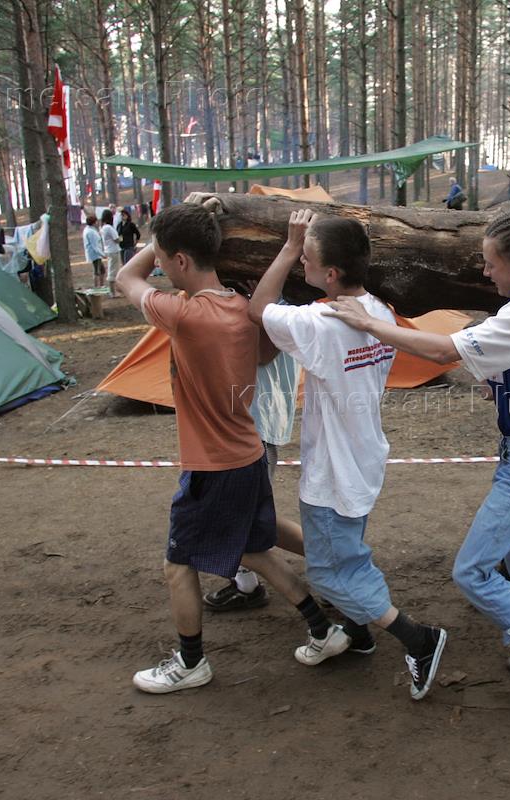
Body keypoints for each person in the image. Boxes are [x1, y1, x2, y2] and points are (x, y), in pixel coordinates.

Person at [325, 206, 510, 714]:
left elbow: (443, 352)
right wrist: (505, 388)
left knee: (473, 572)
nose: (485, 272)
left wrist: (369, 324)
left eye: (491, 263)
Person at [115, 202, 346, 694]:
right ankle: (324, 629)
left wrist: (153, 242)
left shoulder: (184, 314)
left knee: (177, 565)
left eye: (164, 256)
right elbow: (265, 350)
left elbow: (125, 279)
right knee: (254, 549)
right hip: (246, 453)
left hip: (213, 466)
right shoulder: (246, 311)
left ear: (178, 261)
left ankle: (191, 662)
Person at [249, 208, 449, 701]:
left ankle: (419, 639)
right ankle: (358, 635)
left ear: (331, 273)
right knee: (346, 555)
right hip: (361, 458)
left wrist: (288, 245)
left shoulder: (321, 321)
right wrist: (305, 245)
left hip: (332, 472)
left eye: (310, 260)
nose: (303, 268)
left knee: (330, 572)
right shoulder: (376, 311)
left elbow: (258, 308)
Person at [203, 288, 305, 613]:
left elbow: (262, 352)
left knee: (247, 520)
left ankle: (339, 562)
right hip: (242, 421)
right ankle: (246, 585)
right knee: (243, 517)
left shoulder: (286, 300)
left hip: (258, 422)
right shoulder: (252, 293)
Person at [100, 209, 122, 297]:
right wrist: (121, 239)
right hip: (113, 250)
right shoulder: (109, 227)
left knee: (112, 269)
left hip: (108, 250)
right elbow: (116, 239)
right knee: (113, 271)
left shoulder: (102, 228)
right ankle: (112, 292)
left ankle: (113, 291)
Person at [82, 214, 105, 289]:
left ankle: (101, 285)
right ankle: (97, 286)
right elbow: (95, 246)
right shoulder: (91, 232)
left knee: (102, 269)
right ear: (94, 222)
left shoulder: (89, 229)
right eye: (96, 221)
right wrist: (102, 254)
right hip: (95, 254)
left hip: (95, 253)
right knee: (97, 270)